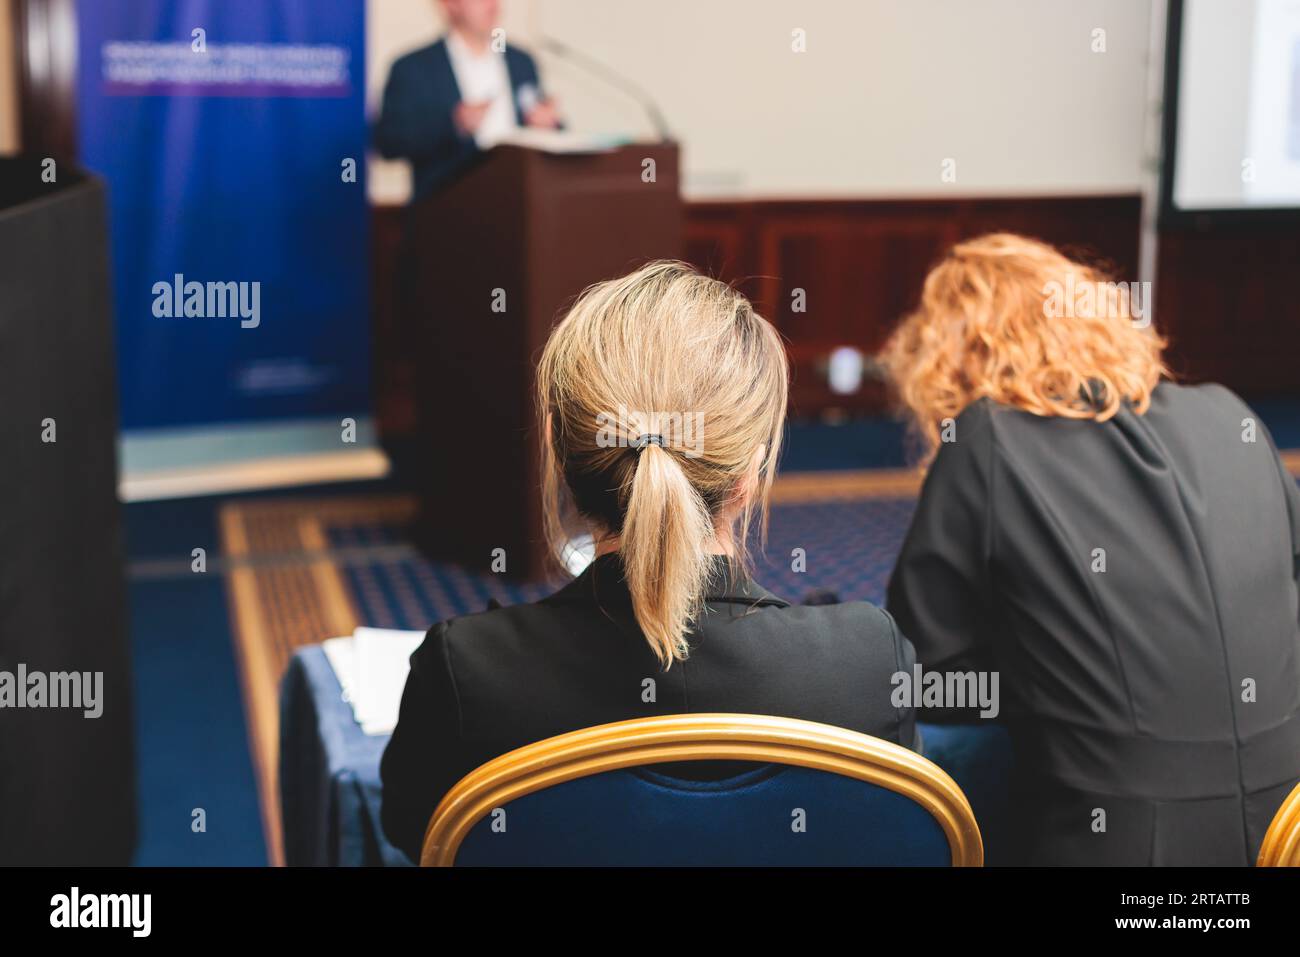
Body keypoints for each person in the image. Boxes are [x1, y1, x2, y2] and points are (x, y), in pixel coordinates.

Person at [380, 261, 920, 864]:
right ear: (750, 474)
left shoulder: (465, 674)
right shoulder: (870, 664)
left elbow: (414, 836)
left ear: (562, 458)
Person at [882, 233, 1300, 866]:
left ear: (953, 358)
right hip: (1289, 829)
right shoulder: (1230, 414)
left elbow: (926, 680)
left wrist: (1048, 669)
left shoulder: (989, 437)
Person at [373, 0, 561, 201]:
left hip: (519, 204)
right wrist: (455, 125)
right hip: (445, 210)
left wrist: (548, 124)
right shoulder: (414, 67)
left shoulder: (521, 61)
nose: (492, 4)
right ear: (450, 5)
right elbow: (389, 142)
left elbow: (549, 123)